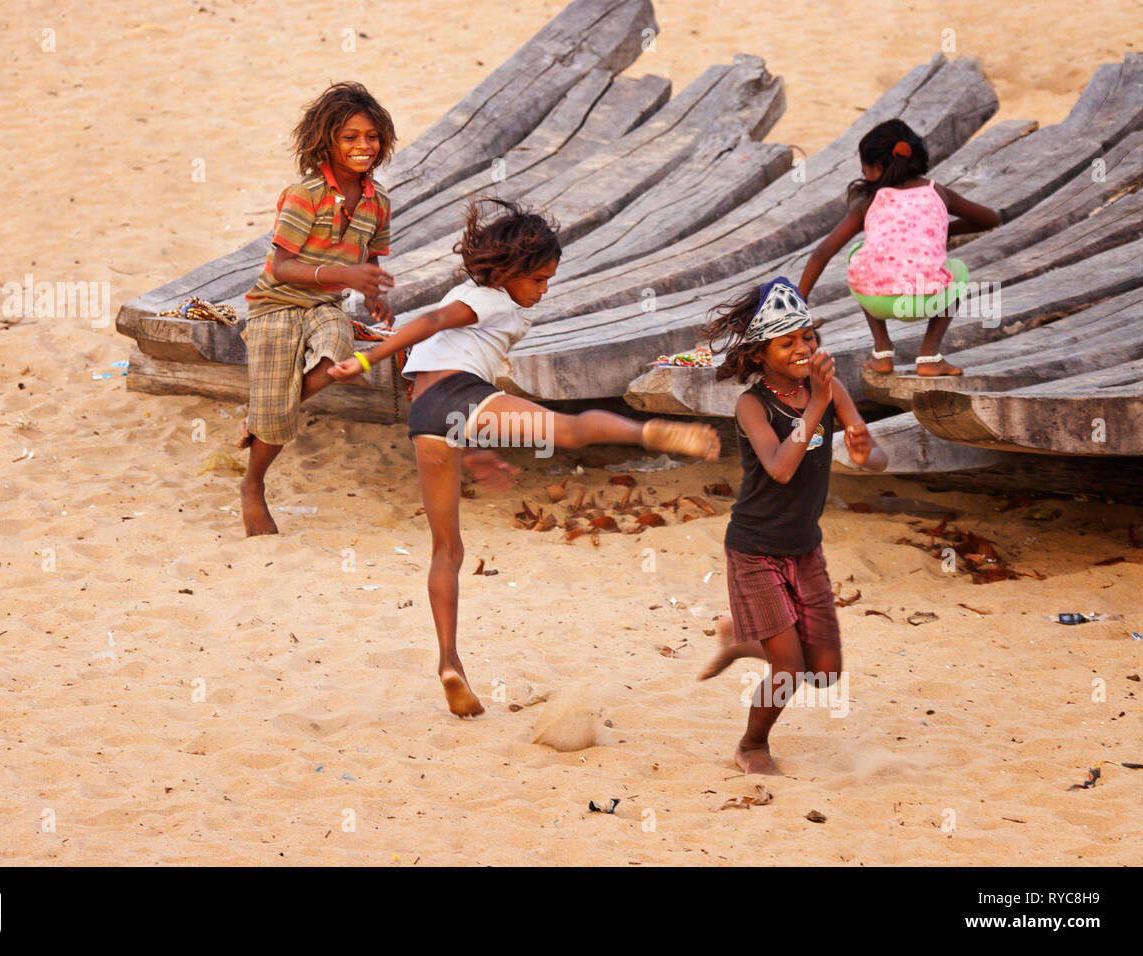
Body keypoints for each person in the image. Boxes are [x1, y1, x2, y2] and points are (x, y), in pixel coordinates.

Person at [329, 199, 722, 717]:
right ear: (510, 272)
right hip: (463, 396)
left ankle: (449, 662)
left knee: (446, 550)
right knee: (574, 430)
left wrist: (473, 454)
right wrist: (364, 358)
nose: (543, 291)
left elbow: (432, 383)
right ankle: (650, 431)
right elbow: (429, 323)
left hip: (426, 418)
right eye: (538, 279)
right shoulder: (490, 302)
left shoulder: (475, 297)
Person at [695, 277, 888, 774]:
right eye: (789, 342)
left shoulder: (830, 389)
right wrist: (820, 403)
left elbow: (876, 457)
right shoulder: (752, 405)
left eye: (808, 337)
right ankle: (752, 746)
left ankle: (741, 640)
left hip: (805, 548)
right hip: (754, 548)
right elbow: (781, 467)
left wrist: (868, 455)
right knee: (789, 668)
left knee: (824, 673)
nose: (804, 348)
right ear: (760, 354)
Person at [238, 81, 398, 536]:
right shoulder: (303, 195)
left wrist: (373, 295)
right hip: (275, 305)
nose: (363, 146)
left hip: (323, 305)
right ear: (326, 142)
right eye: (350, 138)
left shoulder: (378, 200)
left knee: (337, 353)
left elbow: (370, 258)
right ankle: (253, 484)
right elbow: (282, 267)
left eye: (371, 137)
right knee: (274, 411)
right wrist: (344, 275)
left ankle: (269, 413)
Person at [797, 119, 1000, 377]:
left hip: (877, 302)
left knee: (859, 256)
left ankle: (882, 352)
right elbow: (990, 218)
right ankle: (929, 355)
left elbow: (823, 251)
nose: (863, 174)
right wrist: (945, 230)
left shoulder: (868, 202)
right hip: (927, 301)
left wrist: (800, 299)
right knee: (958, 271)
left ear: (878, 167)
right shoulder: (936, 191)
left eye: (865, 168)